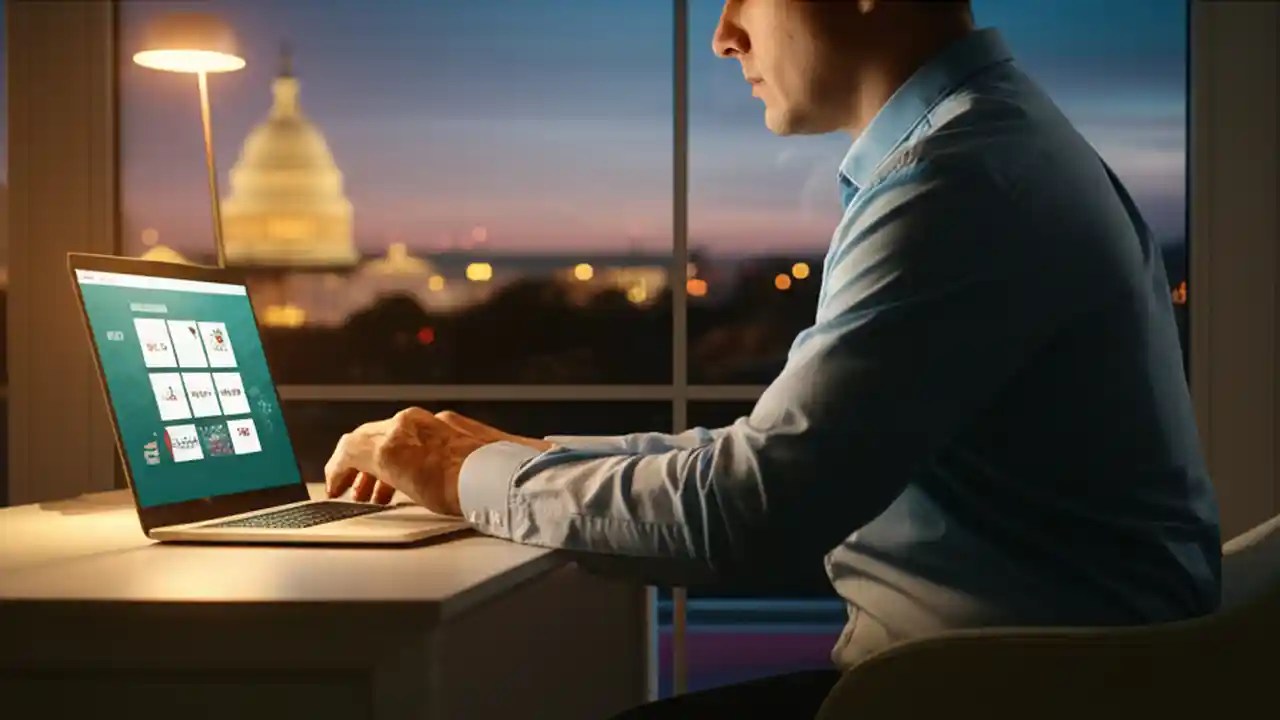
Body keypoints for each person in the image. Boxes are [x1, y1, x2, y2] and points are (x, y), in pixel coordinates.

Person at [324, 1, 1221, 716]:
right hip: (1025, 681)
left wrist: (471, 476)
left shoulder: (958, 179)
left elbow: (751, 506)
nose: (721, 36)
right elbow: (781, 451)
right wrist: (514, 459)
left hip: (987, 697)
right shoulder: (989, 148)